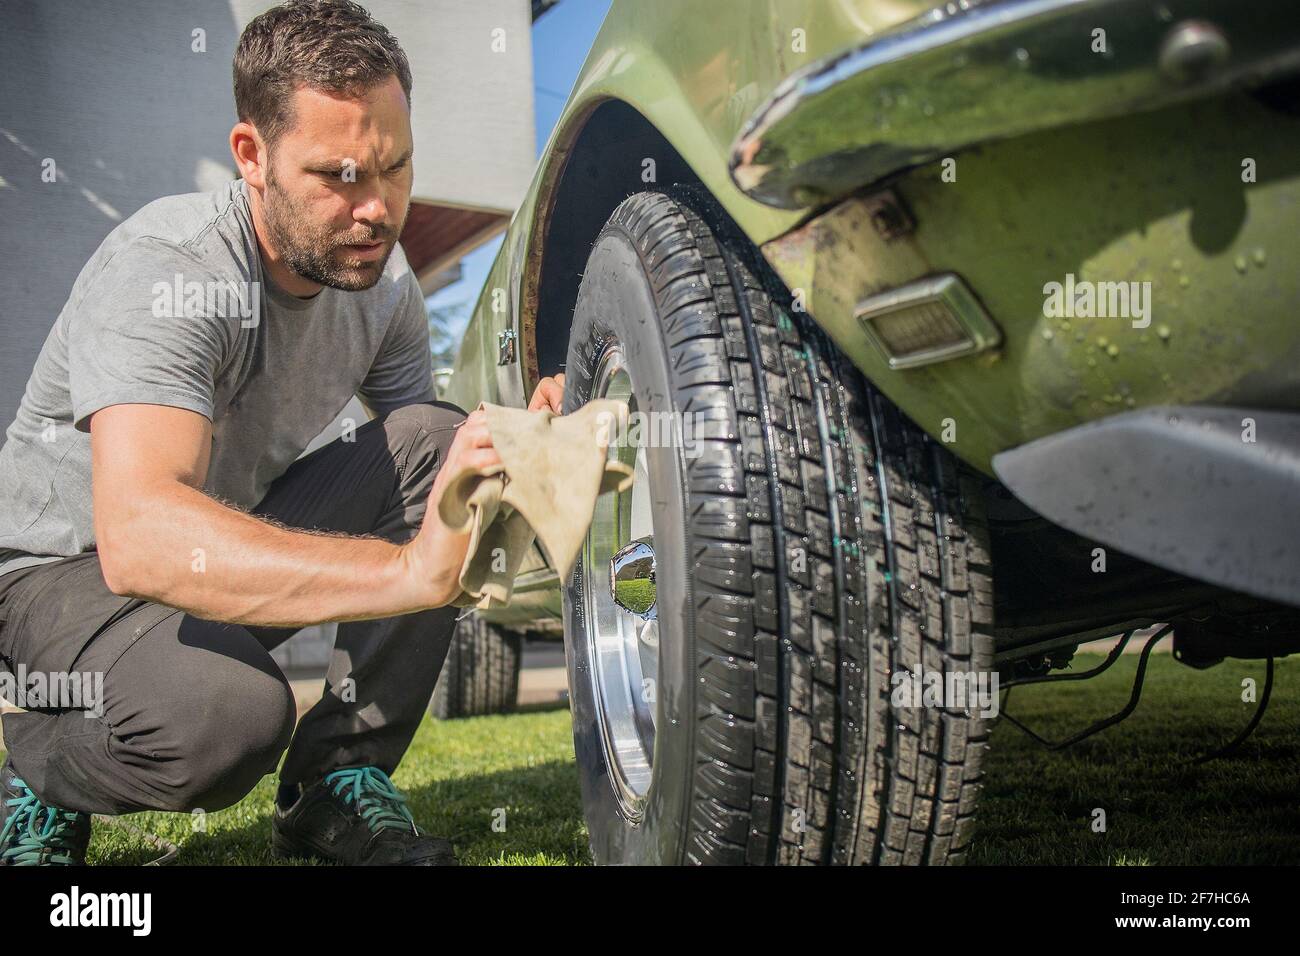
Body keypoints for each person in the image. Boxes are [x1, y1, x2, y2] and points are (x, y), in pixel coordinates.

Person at [0, 0, 562, 866]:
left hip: (205, 548)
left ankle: (335, 781)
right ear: (253, 157)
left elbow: (439, 463)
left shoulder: (384, 287)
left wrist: (534, 441)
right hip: (64, 574)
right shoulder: (173, 269)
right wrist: (408, 570)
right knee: (226, 718)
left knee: (438, 441)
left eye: (397, 168)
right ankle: (41, 767)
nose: (378, 209)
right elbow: (142, 539)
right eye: (339, 175)